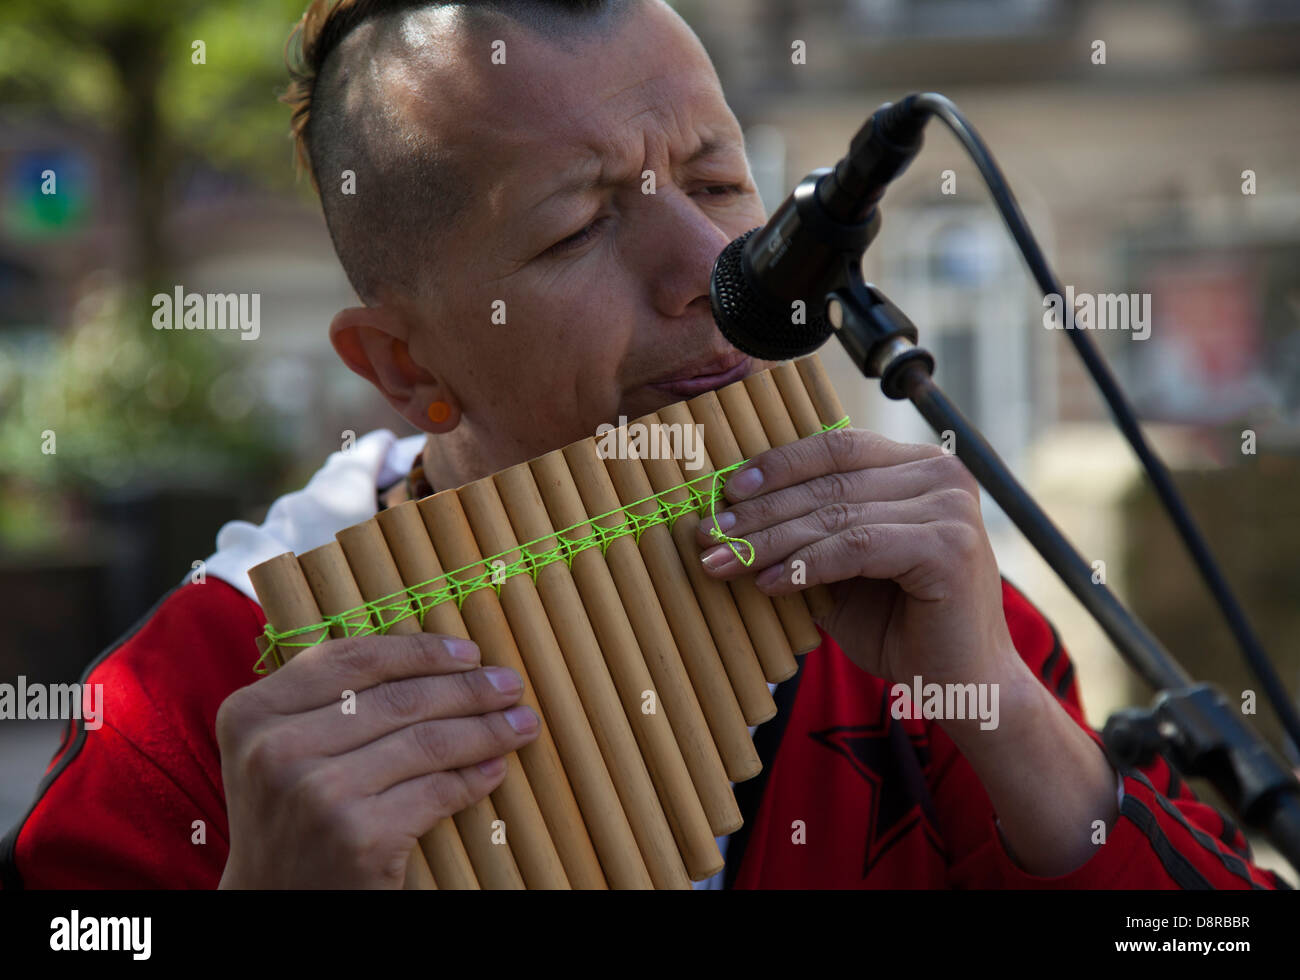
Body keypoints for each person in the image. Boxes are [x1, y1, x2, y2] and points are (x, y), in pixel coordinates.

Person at [1, 0, 1287, 890]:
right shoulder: (181, 711)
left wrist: (1009, 722)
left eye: (721, 184)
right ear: (406, 366)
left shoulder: (926, 611)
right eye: (574, 231)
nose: (706, 270)